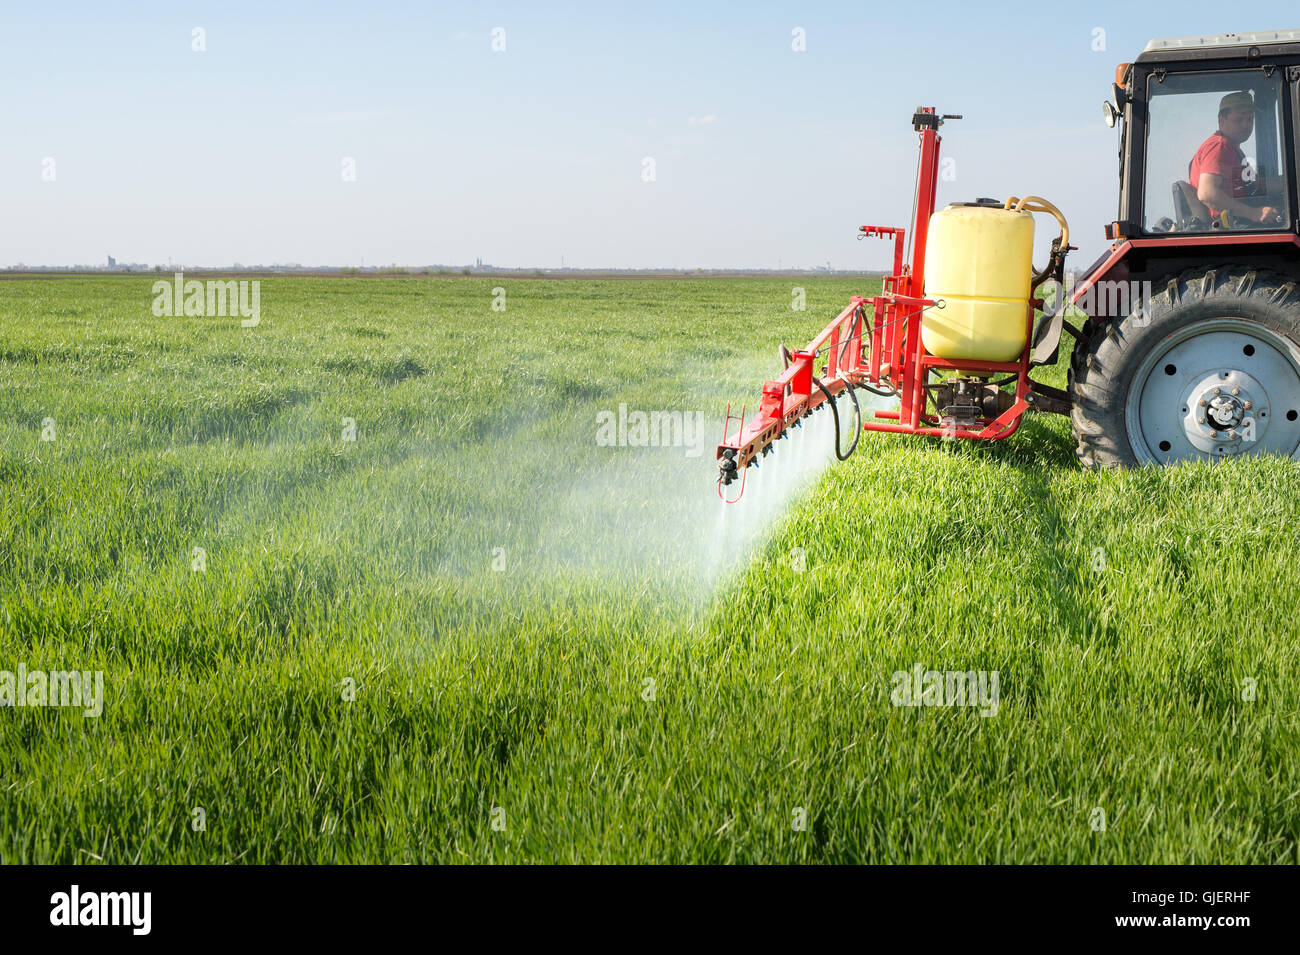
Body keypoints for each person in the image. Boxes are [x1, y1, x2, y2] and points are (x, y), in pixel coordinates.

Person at [1188, 91, 1280, 226]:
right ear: (1221, 121)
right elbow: (1207, 193)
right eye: (1239, 120)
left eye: (1250, 119)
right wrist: (1254, 213)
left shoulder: (1233, 150)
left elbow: (1254, 186)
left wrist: (1288, 183)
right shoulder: (1219, 146)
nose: (1246, 125)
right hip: (1230, 226)